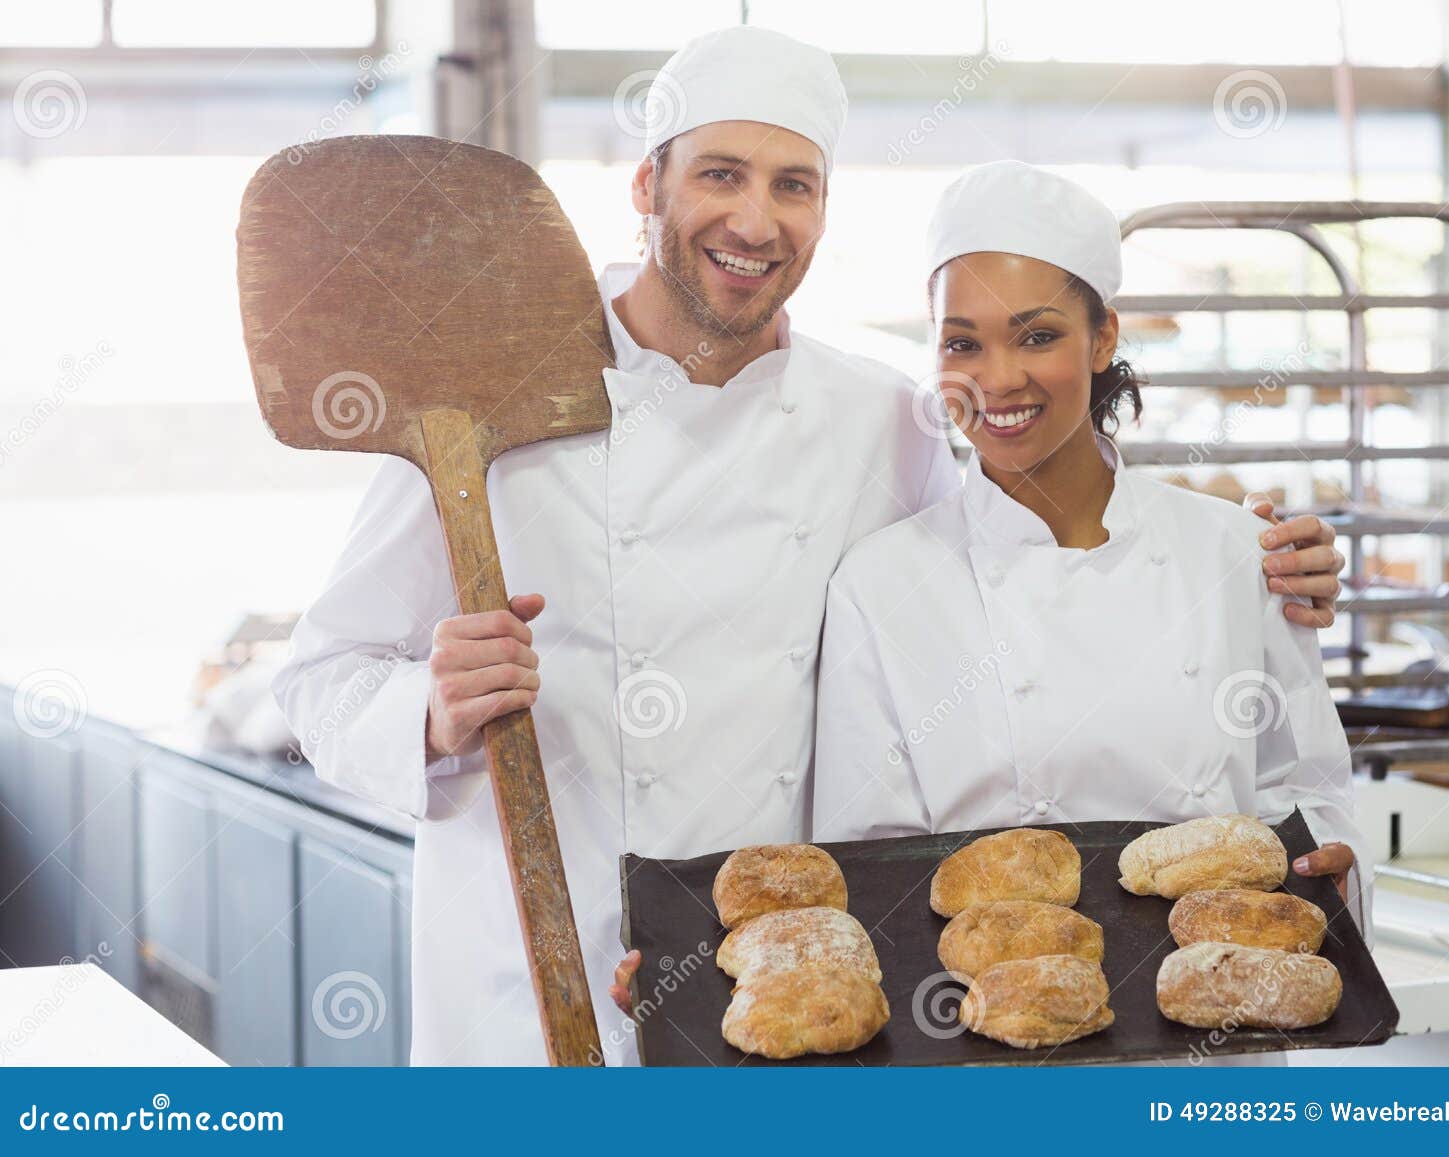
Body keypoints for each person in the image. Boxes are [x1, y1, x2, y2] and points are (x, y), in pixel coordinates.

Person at [274, 28, 1347, 1066]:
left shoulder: (884, 419)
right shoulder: (490, 404)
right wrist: (429, 705)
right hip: (529, 987)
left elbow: (1029, 546)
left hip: (780, 990)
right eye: (721, 175)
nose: (756, 218)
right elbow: (320, 681)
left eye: (795, 184)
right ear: (648, 186)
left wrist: (1259, 558)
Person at [812, 161, 1371, 948]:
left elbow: (1312, 793)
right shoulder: (882, 587)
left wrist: (1340, 877)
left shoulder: (1236, 553)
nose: (999, 378)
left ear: (1104, 335)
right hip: (989, 1027)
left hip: (1222, 1013)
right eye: (962, 342)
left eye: (1037, 336)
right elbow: (871, 872)